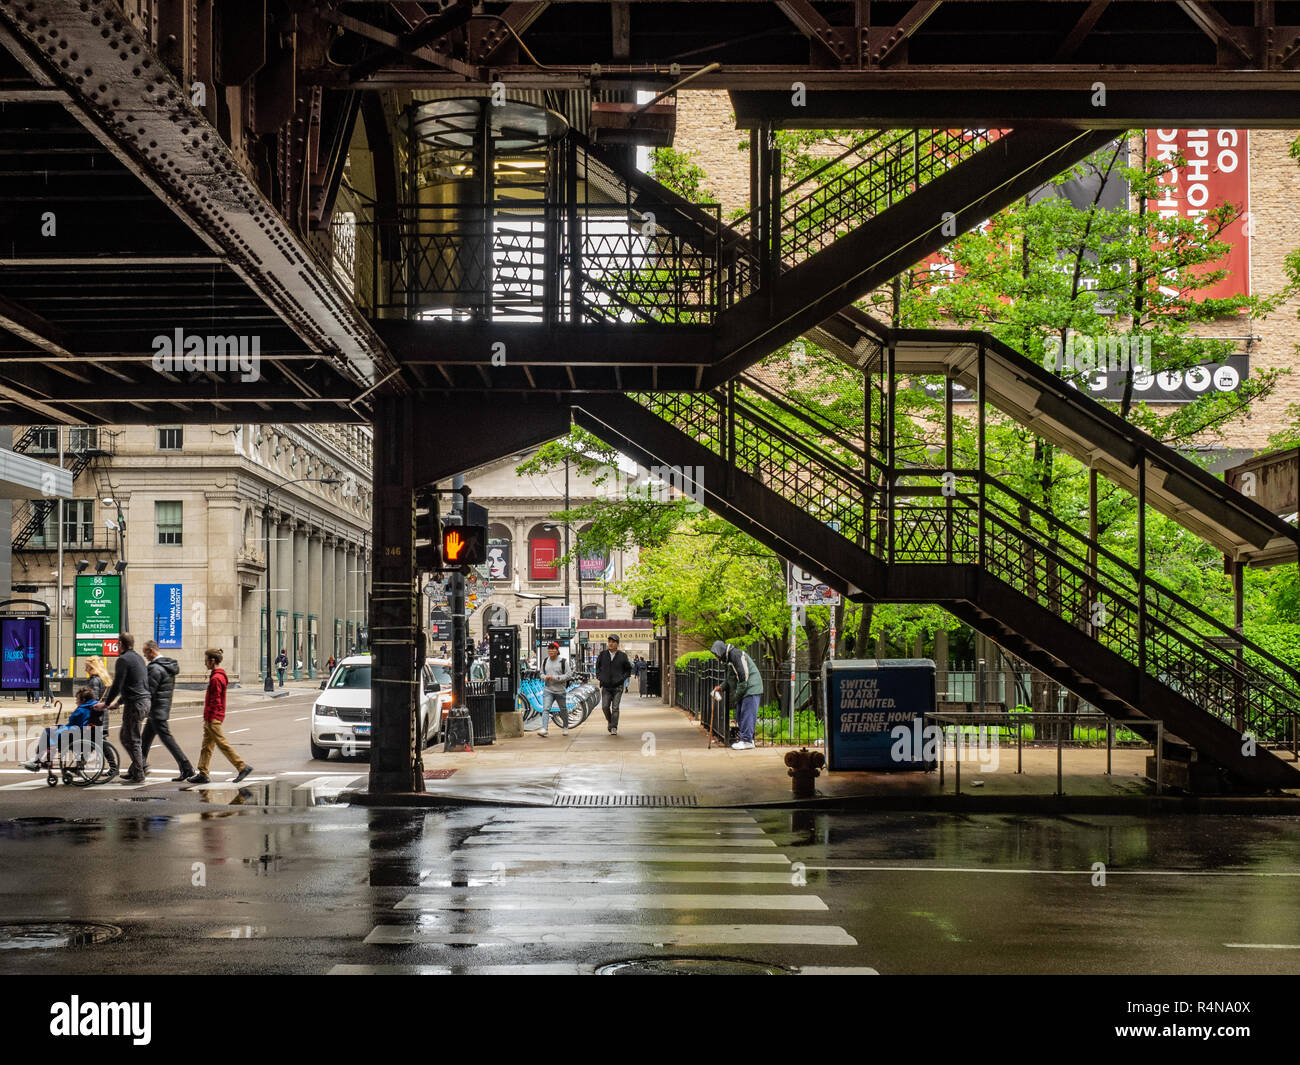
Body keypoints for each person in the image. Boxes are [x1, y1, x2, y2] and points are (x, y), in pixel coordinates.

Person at [189, 648, 253, 785]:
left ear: (212, 661)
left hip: (213, 718)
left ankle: (242, 766)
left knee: (222, 744)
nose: (205, 663)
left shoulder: (217, 678)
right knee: (206, 746)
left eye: (206, 660)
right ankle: (203, 773)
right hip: (211, 717)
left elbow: (216, 700)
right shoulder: (217, 675)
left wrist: (211, 717)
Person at [96, 633, 150, 781]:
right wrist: (118, 703)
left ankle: (139, 772)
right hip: (144, 701)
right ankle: (137, 767)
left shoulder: (123, 660)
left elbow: (118, 684)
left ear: (120, 644)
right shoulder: (138, 658)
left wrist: (106, 703)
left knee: (132, 739)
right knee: (126, 737)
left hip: (135, 704)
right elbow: (132, 684)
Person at [140, 639, 194, 782]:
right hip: (160, 709)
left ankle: (187, 767)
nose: (145, 656)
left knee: (168, 741)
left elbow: (149, 691)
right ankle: (137, 768)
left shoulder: (155, 668)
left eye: (145, 653)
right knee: (144, 741)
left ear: (151, 651)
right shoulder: (167, 666)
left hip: (156, 711)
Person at [21, 686, 96, 770]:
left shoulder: (81, 710)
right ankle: (44, 758)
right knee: (53, 732)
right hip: (87, 735)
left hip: (75, 736)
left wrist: (58, 726)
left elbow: (71, 725)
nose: (76, 701)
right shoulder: (94, 707)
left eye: (77, 699)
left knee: (48, 732)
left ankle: (38, 759)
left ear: (83, 700)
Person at [711, 639, 764, 750]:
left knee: (747, 714)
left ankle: (747, 741)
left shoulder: (736, 655)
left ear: (720, 651)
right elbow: (731, 677)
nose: (716, 657)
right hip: (746, 688)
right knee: (741, 715)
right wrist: (722, 687)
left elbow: (743, 678)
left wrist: (736, 696)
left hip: (751, 688)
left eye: (716, 654)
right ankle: (747, 739)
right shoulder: (729, 658)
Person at [595, 634, 632, 735]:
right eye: (609, 642)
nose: (611, 644)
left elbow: (628, 670)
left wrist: (622, 679)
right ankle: (611, 722)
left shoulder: (622, 656)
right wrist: (600, 677)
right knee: (605, 707)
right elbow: (597, 667)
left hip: (618, 686)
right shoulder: (602, 655)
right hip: (606, 686)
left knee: (615, 707)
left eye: (613, 642)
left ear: (617, 644)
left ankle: (614, 727)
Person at [537, 641, 571, 738]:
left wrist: (557, 678)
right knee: (546, 709)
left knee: (563, 709)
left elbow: (569, 675)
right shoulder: (545, 661)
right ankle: (544, 729)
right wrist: (545, 677)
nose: (551, 651)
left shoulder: (563, 662)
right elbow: (541, 674)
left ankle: (565, 726)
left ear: (557, 650)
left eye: (553, 649)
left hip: (560, 690)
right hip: (548, 690)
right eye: (549, 649)